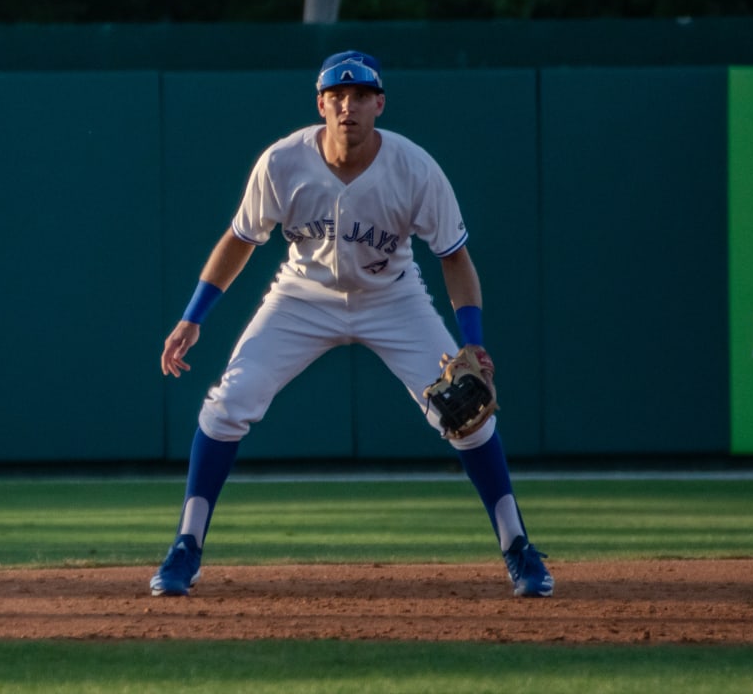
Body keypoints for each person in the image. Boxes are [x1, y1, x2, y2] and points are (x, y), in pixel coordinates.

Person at [150, 50, 553, 599]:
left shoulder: (414, 168)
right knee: (227, 404)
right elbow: (240, 240)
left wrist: (474, 345)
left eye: (360, 96)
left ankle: (518, 548)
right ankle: (185, 547)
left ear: (379, 104)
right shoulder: (282, 163)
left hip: (393, 297)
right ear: (320, 104)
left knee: (468, 414)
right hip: (301, 297)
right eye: (336, 97)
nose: (348, 107)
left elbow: (454, 257)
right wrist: (191, 318)